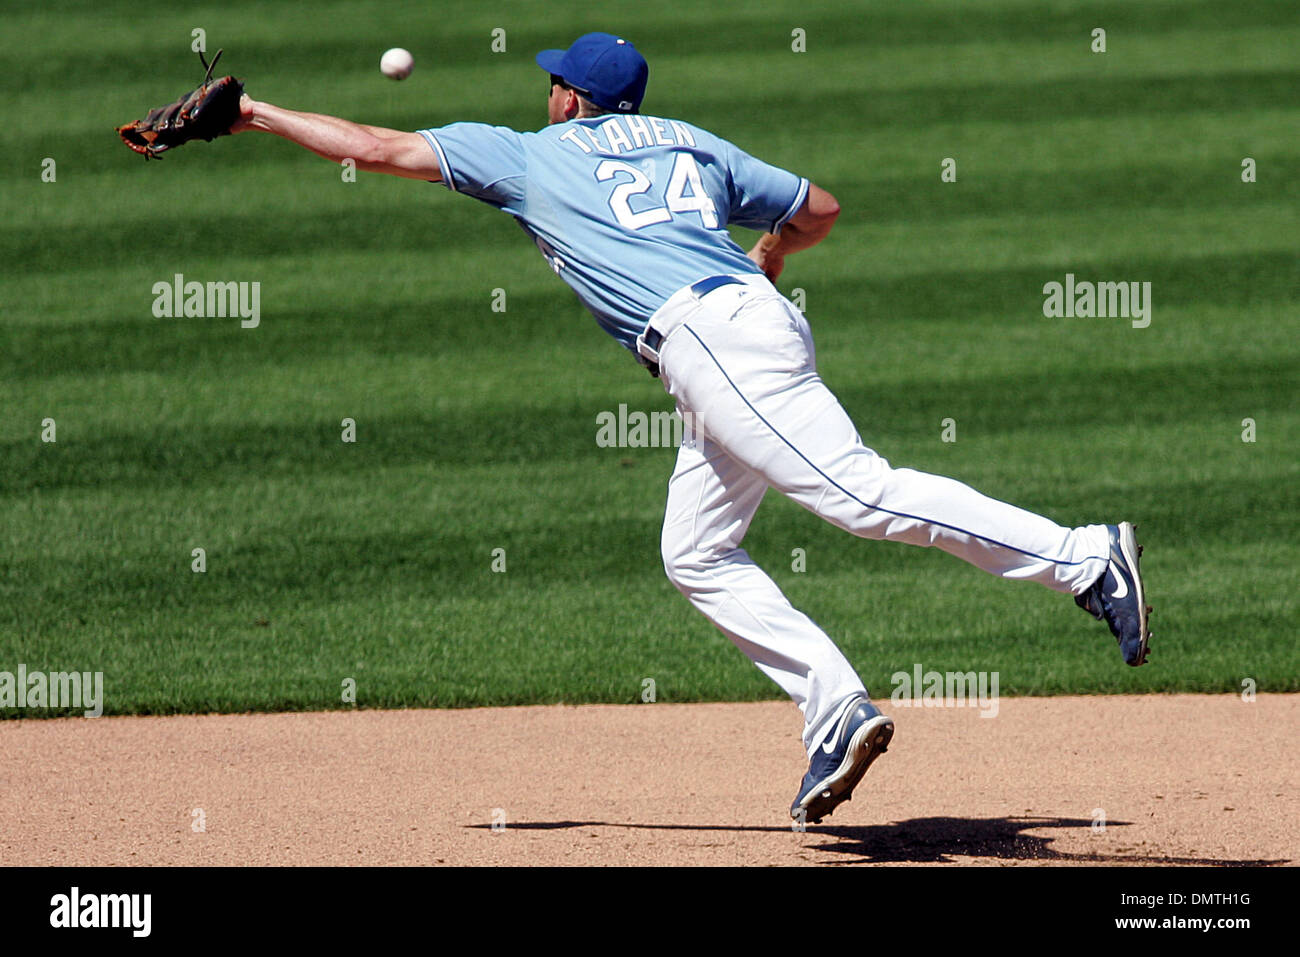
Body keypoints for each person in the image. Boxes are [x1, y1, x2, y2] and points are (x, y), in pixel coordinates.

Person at [231, 32, 1151, 823]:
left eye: (553, 82)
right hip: (745, 324)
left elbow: (377, 145)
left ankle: (1085, 556)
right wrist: (771, 255)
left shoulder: (528, 154)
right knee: (697, 550)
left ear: (570, 98)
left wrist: (255, 114)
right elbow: (817, 207)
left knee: (857, 492)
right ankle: (835, 710)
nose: (544, 93)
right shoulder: (689, 142)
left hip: (713, 345)